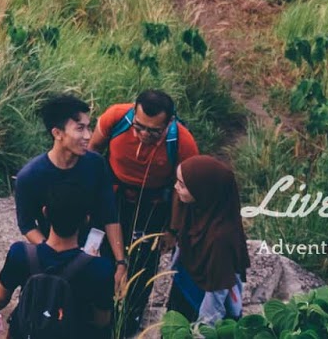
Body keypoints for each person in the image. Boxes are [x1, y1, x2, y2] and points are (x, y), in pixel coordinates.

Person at [90, 90, 199, 335]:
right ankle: (99, 317)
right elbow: (92, 153)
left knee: (143, 265)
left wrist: (172, 230)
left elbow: (181, 189)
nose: (143, 135)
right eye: (139, 127)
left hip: (153, 205)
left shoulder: (182, 142)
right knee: (103, 257)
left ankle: (129, 322)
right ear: (133, 114)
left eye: (153, 131)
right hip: (114, 196)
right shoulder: (116, 118)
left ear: (169, 122)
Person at [13, 95, 127, 301]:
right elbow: (26, 224)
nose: (88, 135)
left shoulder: (96, 165)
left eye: (89, 127)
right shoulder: (30, 177)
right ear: (57, 133)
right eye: (80, 128)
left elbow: (110, 214)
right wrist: (52, 253)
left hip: (91, 255)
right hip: (51, 257)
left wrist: (120, 263)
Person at [0, 190, 115, 339]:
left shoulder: (20, 253)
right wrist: (89, 261)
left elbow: (0, 297)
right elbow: (102, 321)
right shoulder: (101, 268)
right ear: (86, 219)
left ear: (45, 212)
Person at [168, 156, 250, 326]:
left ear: (203, 191)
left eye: (182, 185)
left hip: (205, 307)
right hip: (185, 288)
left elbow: (217, 291)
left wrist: (204, 328)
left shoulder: (220, 238)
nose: (176, 187)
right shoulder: (198, 210)